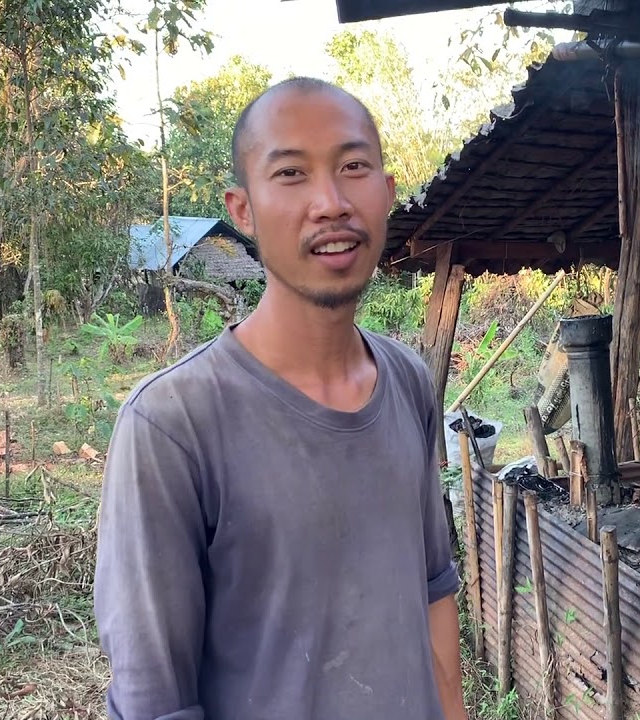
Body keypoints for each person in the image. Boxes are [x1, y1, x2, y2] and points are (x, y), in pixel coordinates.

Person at [93, 76, 467, 720]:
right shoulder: (171, 426)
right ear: (243, 211)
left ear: (385, 194)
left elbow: (432, 592)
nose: (329, 202)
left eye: (352, 167)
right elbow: (156, 701)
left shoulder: (408, 380)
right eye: (291, 174)